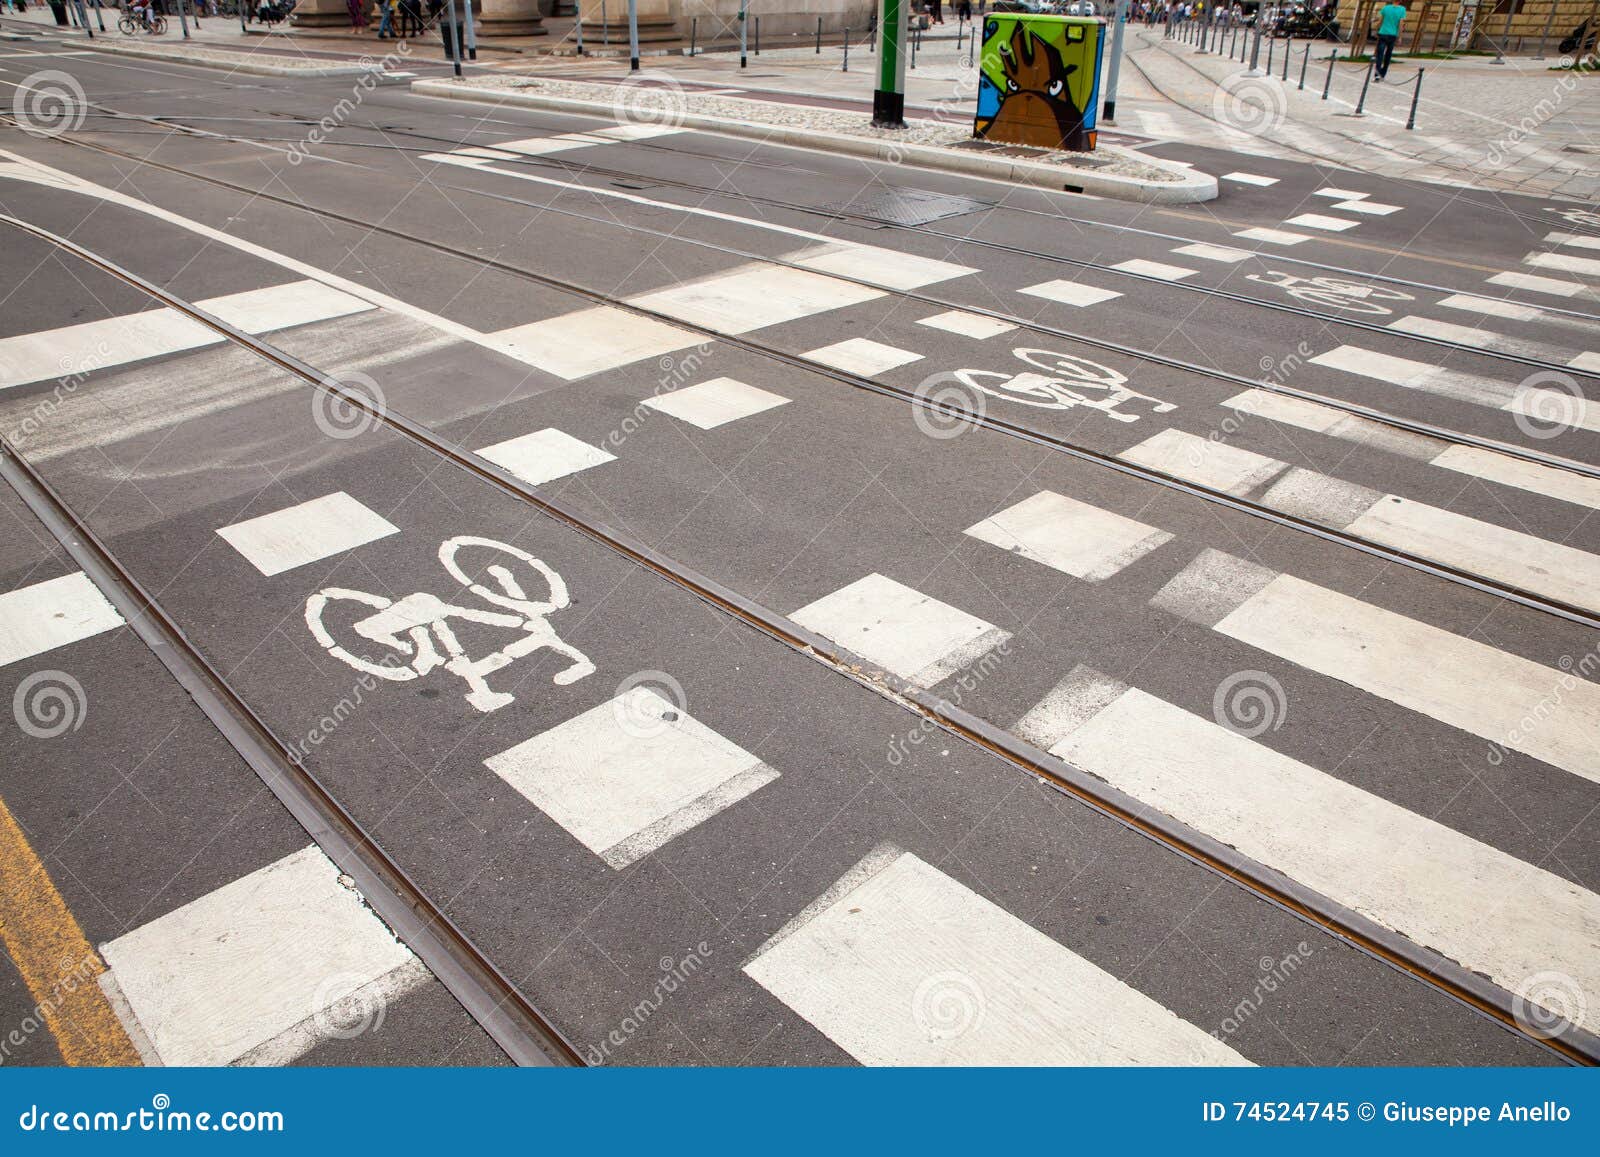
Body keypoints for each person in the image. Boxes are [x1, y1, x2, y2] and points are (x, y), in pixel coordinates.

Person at [1372, 0, 1406, 81]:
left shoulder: (1385, 8)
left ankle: (1377, 74)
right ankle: (1383, 74)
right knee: (1388, 55)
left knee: (1380, 54)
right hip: (1392, 35)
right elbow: (1401, 24)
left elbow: (1380, 20)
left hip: (1383, 33)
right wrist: (1400, 36)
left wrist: (1377, 28)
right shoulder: (1402, 9)